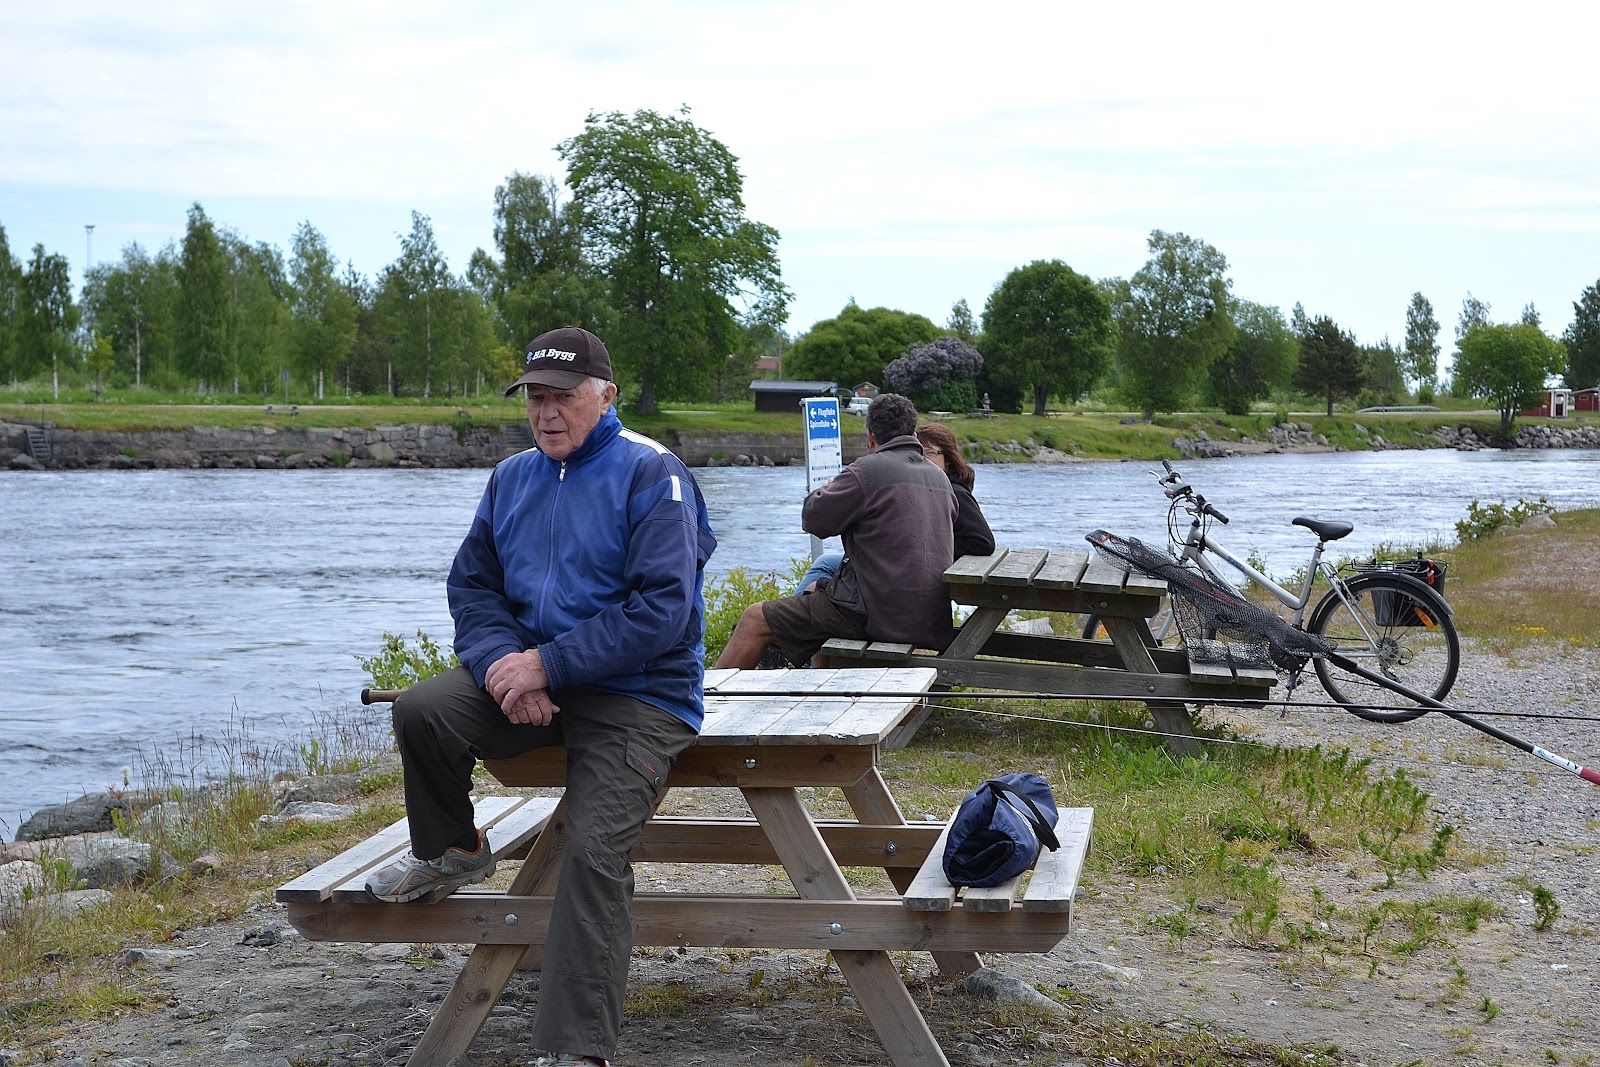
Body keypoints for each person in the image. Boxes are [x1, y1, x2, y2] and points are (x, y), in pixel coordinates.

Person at [363, 327, 717, 1067]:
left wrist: (547, 665)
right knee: (422, 709)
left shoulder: (655, 475)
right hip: (532, 676)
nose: (547, 412)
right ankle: (454, 849)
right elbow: (473, 587)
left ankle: (576, 1049)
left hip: (639, 694)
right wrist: (503, 666)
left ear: (605, 396)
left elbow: (662, 610)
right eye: (535, 397)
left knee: (590, 852)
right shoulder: (510, 478)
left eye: (563, 396)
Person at [715, 393, 955, 669]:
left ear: (870, 437)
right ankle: (822, 692)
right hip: (930, 619)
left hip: (880, 617)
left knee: (754, 619)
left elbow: (814, 522)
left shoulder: (865, 471)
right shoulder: (940, 479)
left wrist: (827, 489)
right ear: (913, 433)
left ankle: (709, 706)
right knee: (819, 592)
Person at [796, 421, 994, 591]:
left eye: (929, 453)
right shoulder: (922, 484)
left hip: (921, 573)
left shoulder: (953, 491)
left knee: (819, 583)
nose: (922, 459)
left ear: (948, 459)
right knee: (825, 563)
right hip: (906, 569)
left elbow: (983, 542)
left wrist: (930, 548)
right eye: (918, 452)